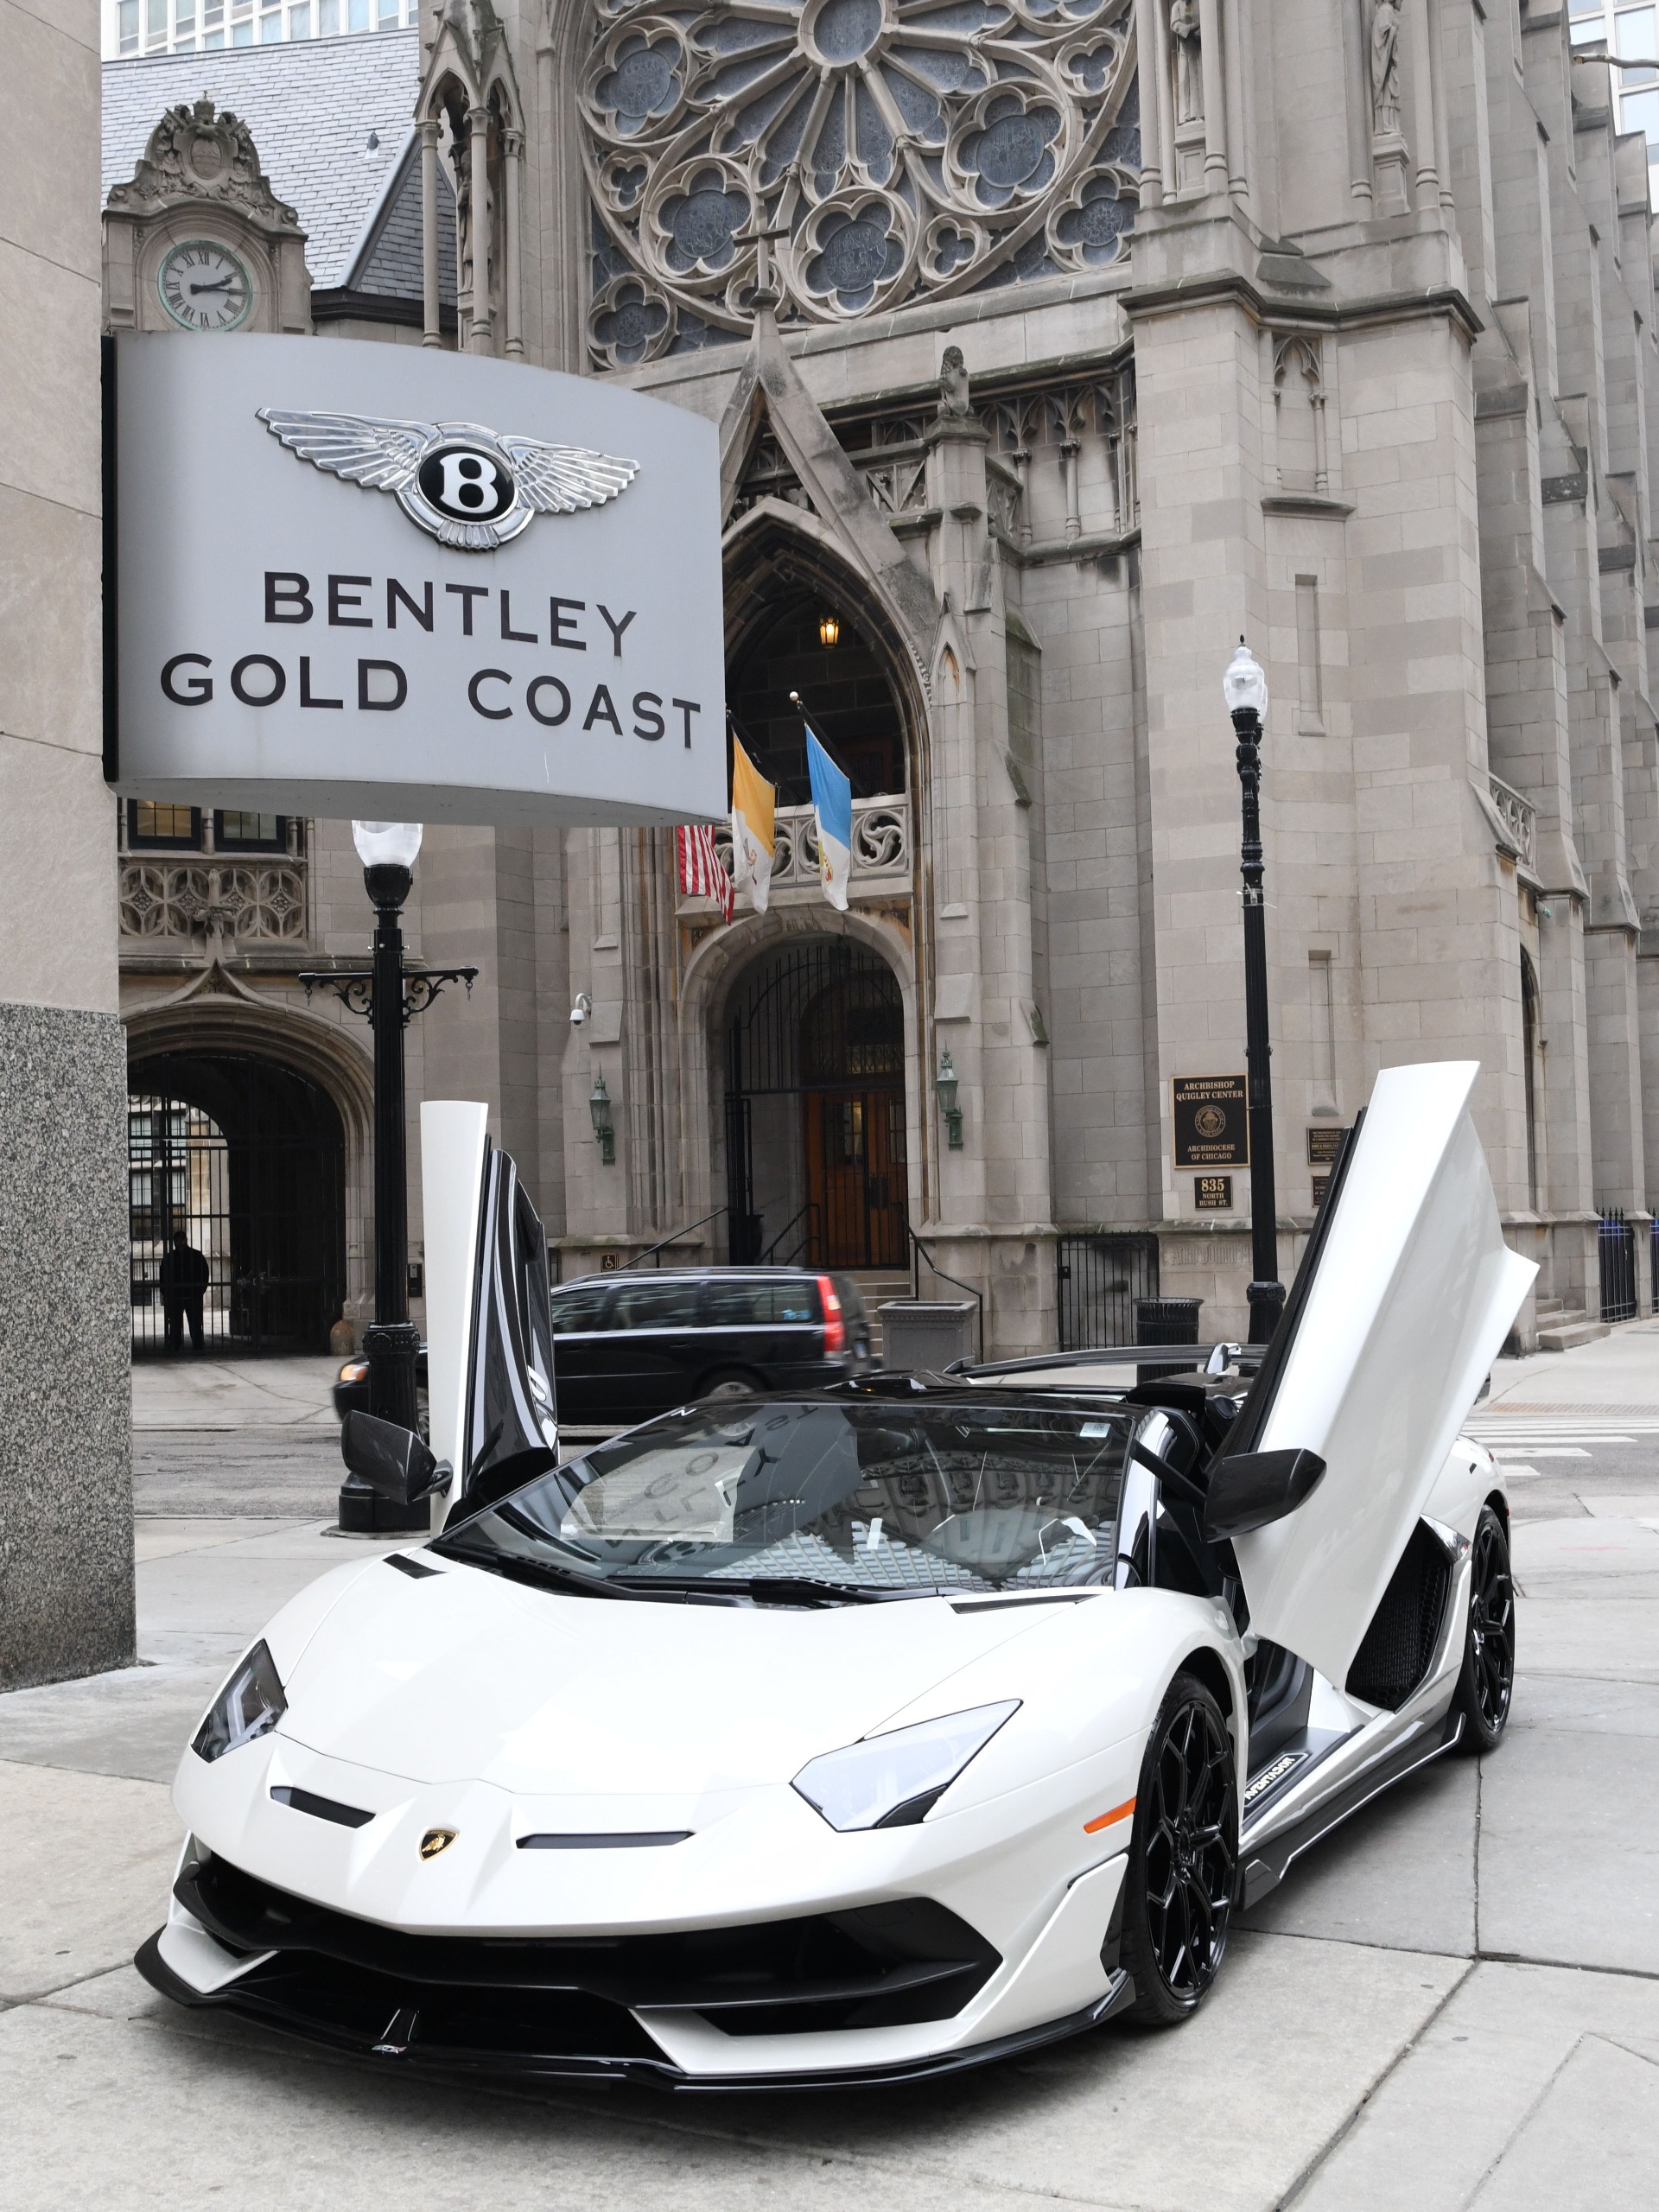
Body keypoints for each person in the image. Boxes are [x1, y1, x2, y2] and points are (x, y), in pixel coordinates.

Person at [159, 1230, 210, 1355]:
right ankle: (182, 1345)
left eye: (181, 1240)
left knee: (194, 1323)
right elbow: (162, 1277)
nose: (179, 1243)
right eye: (177, 1240)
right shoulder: (195, 1256)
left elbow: (204, 1275)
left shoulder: (173, 1257)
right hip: (180, 1296)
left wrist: (199, 1291)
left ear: (186, 1240)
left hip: (189, 1295)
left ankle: (188, 1345)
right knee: (180, 1324)